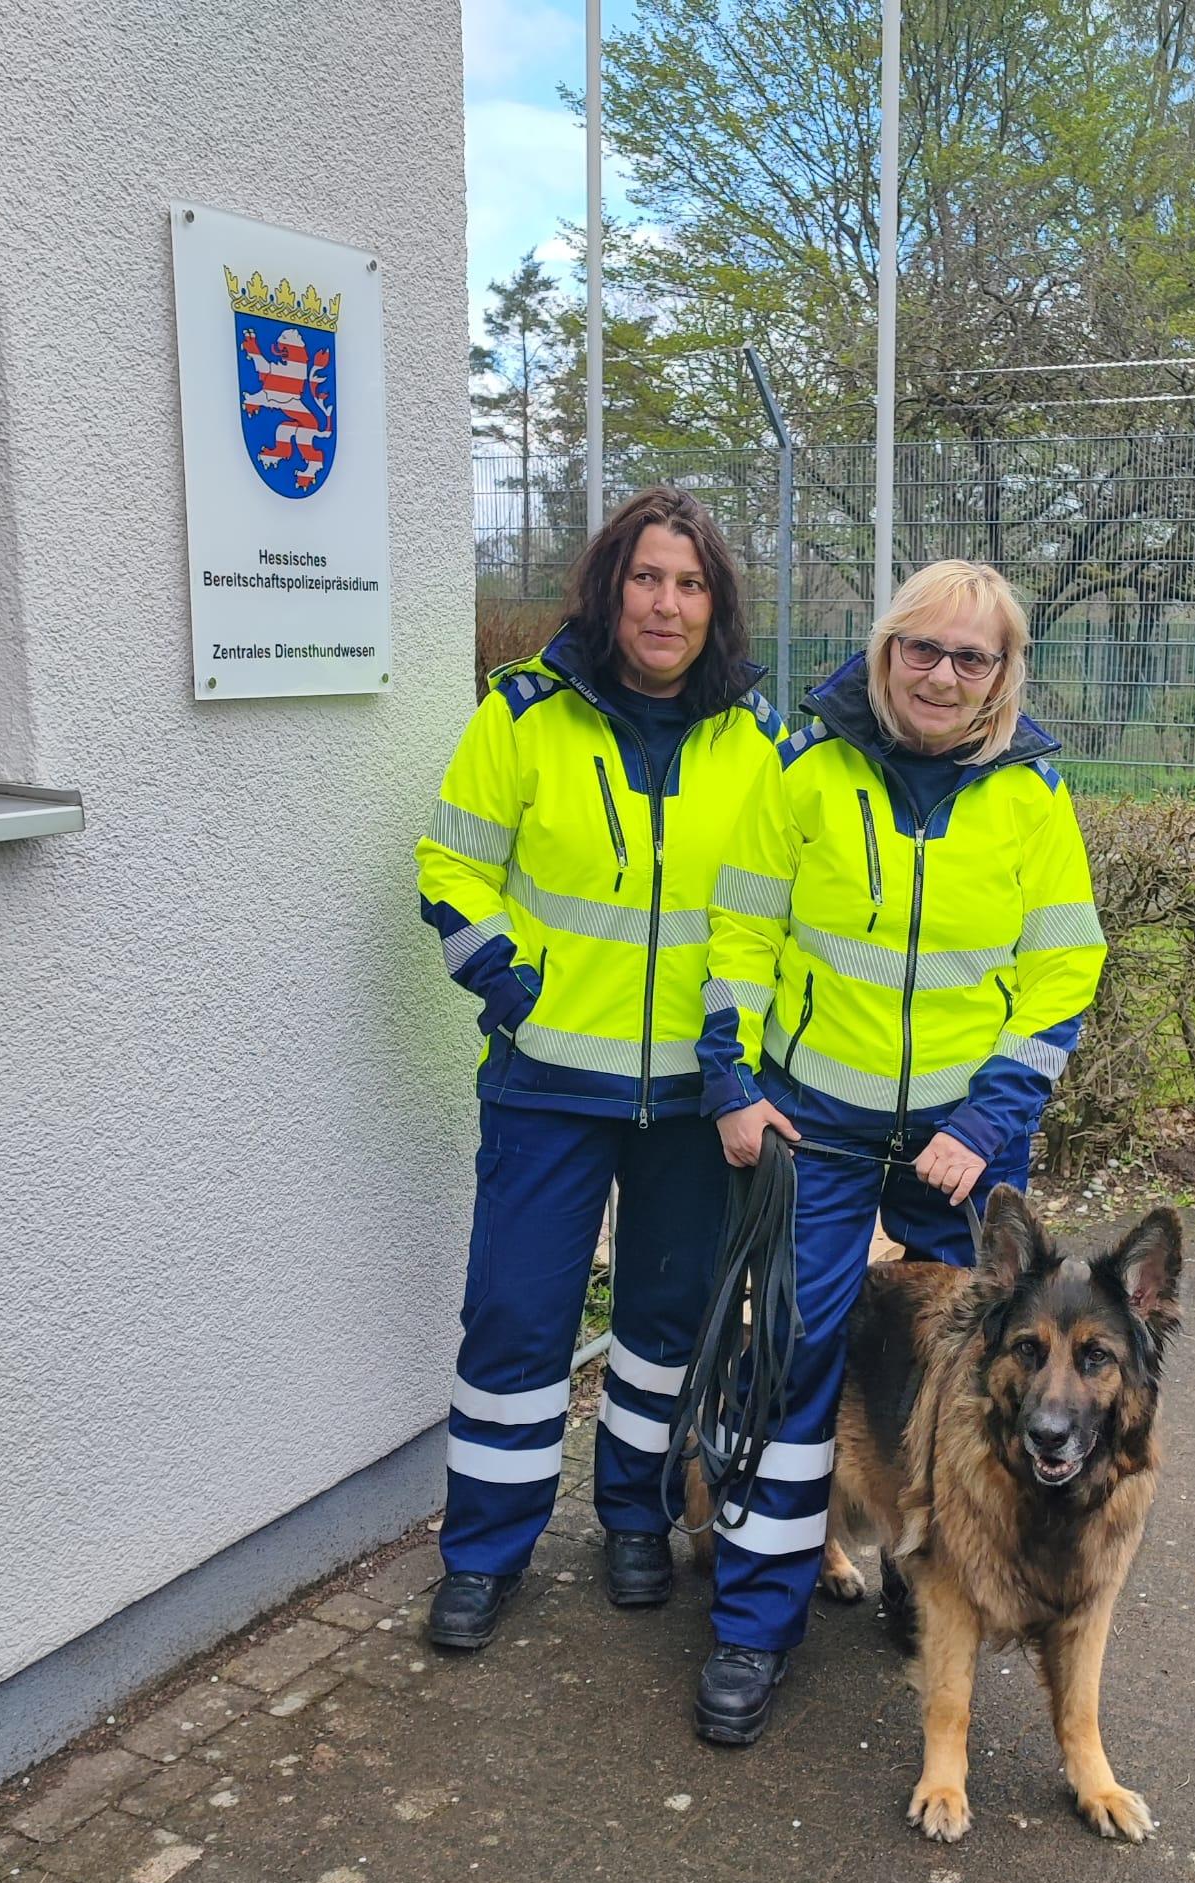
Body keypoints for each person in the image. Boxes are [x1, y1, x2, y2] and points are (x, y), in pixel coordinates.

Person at [691, 559, 1107, 1743]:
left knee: (971, 1386)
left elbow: (1061, 966)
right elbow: (739, 932)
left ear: (1000, 674)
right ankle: (752, 1621)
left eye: (968, 656)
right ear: (883, 652)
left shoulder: (1029, 794)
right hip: (815, 1122)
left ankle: (931, 1583)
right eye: (920, 647)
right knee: (794, 1367)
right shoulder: (805, 768)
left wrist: (987, 1118)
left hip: (964, 1144)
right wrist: (733, 1079)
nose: (940, 673)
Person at [415, 487, 783, 1650]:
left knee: (663, 1322)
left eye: (688, 583)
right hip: (544, 1084)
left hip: (691, 1095)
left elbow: (780, 907)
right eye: (644, 577)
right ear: (607, 587)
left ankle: (632, 1517)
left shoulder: (761, 741)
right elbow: (449, 868)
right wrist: (517, 988)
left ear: (712, 604)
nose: (664, 603)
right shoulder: (520, 716)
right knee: (516, 1323)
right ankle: (483, 1551)